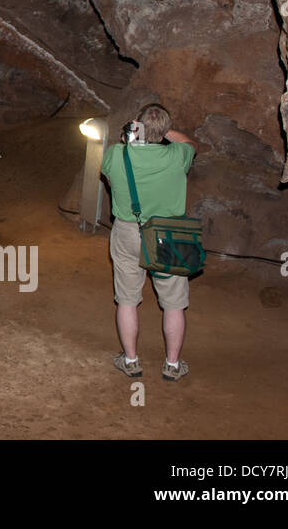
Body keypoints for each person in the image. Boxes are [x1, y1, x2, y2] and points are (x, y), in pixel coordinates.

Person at [100, 103, 197, 382]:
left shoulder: (117, 154)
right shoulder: (179, 155)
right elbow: (192, 143)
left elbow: (108, 176)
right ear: (166, 131)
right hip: (168, 233)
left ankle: (130, 360)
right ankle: (172, 365)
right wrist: (163, 132)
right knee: (174, 303)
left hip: (128, 232)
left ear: (136, 126)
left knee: (127, 300)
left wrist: (134, 139)